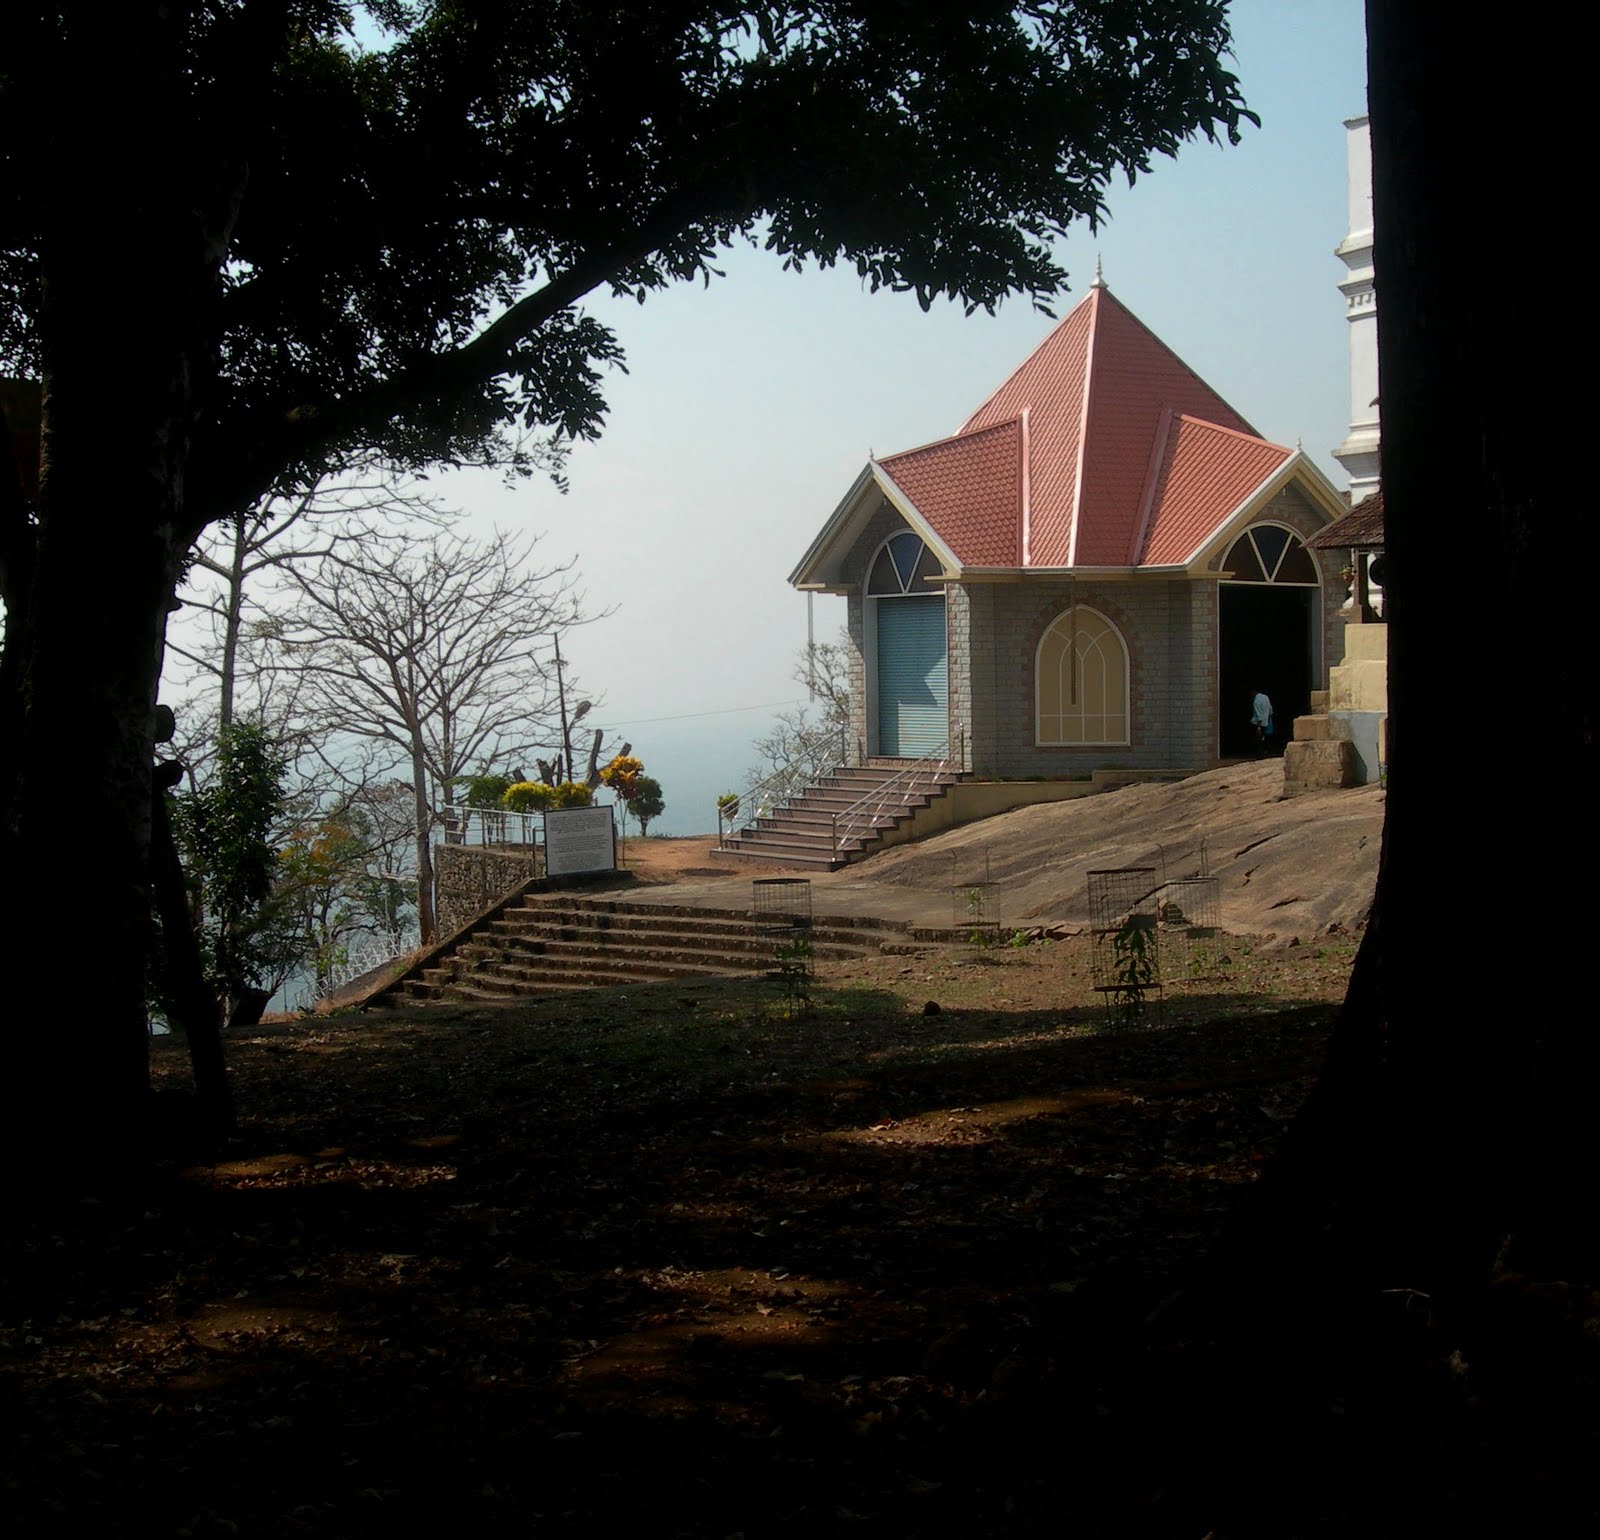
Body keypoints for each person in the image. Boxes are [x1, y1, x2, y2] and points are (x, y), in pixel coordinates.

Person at [1251, 688, 1274, 755]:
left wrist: (1258, 726)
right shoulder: (1266, 697)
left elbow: (1258, 714)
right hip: (1266, 721)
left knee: (1258, 739)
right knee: (1264, 738)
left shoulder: (1256, 701)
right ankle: (1265, 751)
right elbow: (1270, 710)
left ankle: (1259, 754)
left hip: (1258, 723)